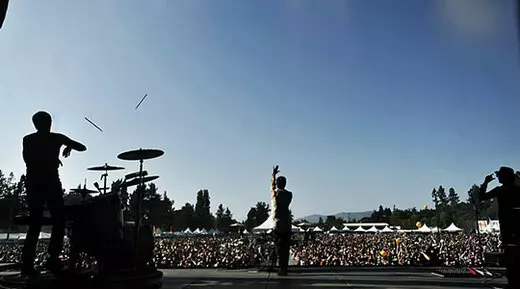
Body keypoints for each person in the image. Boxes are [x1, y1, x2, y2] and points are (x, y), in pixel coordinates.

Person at [21, 111, 87, 277]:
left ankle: (28, 265)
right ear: (48, 123)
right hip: (49, 183)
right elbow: (82, 147)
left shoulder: (28, 139)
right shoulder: (57, 138)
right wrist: (67, 145)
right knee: (58, 220)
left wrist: (56, 153)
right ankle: (52, 260)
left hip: (34, 183)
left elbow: (28, 160)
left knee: (36, 224)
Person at [479, 166, 520, 289]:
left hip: (508, 226)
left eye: (499, 176)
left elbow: (482, 196)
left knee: (511, 257)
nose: (498, 178)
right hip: (514, 226)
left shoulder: (500, 190)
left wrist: (485, 183)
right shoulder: (517, 189)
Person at [270, 165, 292, 276]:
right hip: (287, 224)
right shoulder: (289, 194)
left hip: (278, 225)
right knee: (286, 248)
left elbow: (271, 186)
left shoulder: (275, 194)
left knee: (279, 247)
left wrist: (273, 175)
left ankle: (280, 268)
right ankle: (285, 268)